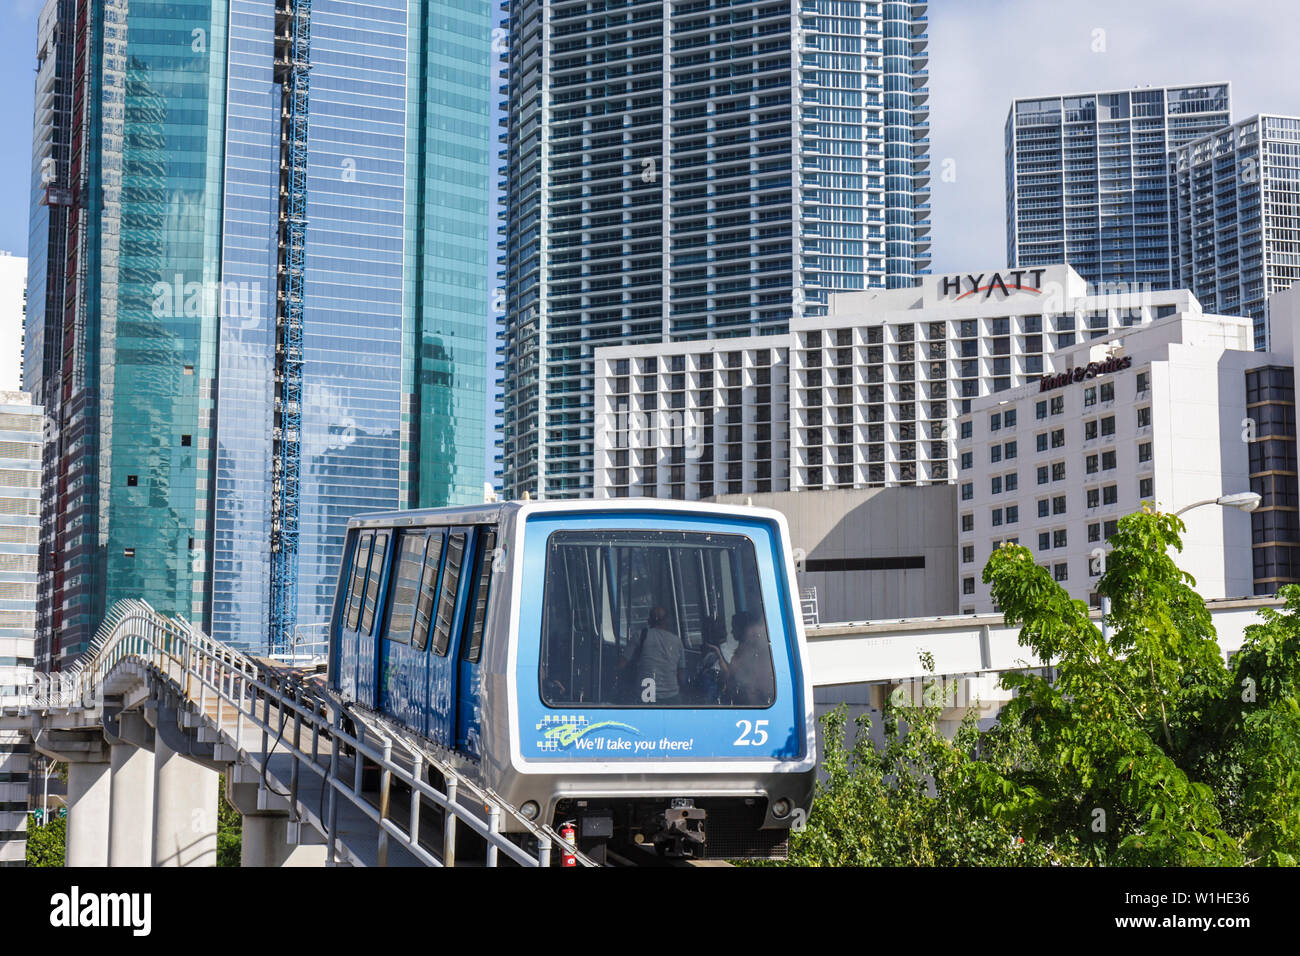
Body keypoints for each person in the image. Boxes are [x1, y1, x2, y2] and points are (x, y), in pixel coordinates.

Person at [621, 606, 686, 704]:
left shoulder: (640, 635)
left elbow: (622, 664)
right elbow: (681, 675)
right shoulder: (677, 641)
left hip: (646, 695)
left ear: (649, 620)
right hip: (672, 697)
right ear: (666, 621)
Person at [726, 617, 775, 707]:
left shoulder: (750, 653)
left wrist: (718, 653)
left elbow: (731, 672)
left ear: (743, 629)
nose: (732, 632)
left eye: (734, 628)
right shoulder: (744, 650)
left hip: (750, 701)